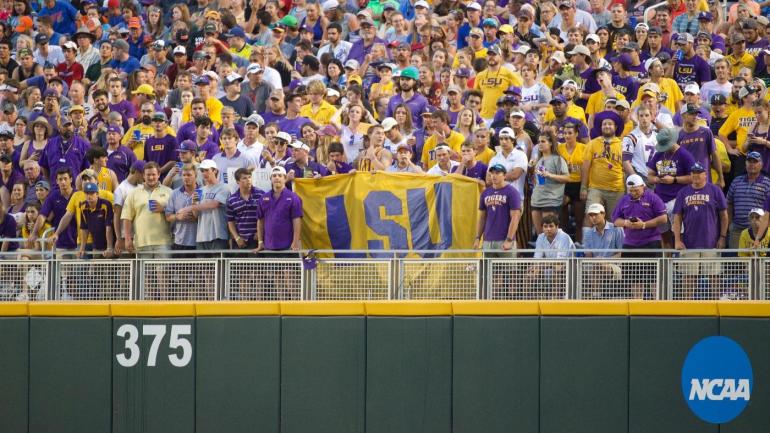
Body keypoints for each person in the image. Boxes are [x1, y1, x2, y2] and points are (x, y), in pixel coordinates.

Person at [672, 162, 729, 299]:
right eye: (693, 173)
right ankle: (688, 306)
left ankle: (716, 304)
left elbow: (724, 216)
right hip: (689, 242)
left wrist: (722, 237)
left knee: (714, 277)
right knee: (689, 277)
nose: (696, 175)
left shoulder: (715, 190)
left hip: (711, 241)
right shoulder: (683, 192)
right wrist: (677, 240)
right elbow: (677, 217)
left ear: (705, 174)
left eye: (699, 172)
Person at [612, 174, 668, 298]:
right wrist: (626, 222)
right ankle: (637, 303)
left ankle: (657, 304)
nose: (634, 193)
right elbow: (615, 220)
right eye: (631, 191)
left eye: (636, 190)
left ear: (643, 187)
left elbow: (664, 218)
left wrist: (644, 225)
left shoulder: (653, 198)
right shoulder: (624, 200)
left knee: (654, 278)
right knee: (634, 278)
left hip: (651, 242)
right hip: (630, 243)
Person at [647, 127, 695, 248]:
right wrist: (657, 179)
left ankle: (679, 261)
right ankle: (666, 262)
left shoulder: (684, 155)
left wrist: (674, 179)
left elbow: (693, 177)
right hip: (660, 200)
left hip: (676, 199)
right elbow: (650, 176)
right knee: (664, 233)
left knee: (679, 232)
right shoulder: (659, 155)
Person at [174, 159, 230, 251]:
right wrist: (194, 202)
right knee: (202, 265)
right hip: (201, 236)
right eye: (202, 171)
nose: (204, 173)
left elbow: (214, 204)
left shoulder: (224, 187)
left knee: (218, 265)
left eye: (207, 170)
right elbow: (196, 215)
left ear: (215, 170)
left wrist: (190, 207)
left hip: (218, 235)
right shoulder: (201, 190)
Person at [121, 162, 173, 257]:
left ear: (159, 175)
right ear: (143, 176)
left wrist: (164, 209)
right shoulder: (133, 193)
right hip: (141, 243)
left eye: (153, 174)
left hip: (163, 242)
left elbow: (177, 213)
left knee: (163, 272)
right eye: (148, 175)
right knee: (144, 272)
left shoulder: (169, 192)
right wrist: (128, 239)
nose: (151, 177)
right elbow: (127, 217)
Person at [581, 111, 625, 223]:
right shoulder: (592, 144)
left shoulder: (622, 144)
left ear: (615, 127)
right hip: (596, 188)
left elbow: (626, 168)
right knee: (591, 216)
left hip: (616, 190)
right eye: (604, 124)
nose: (607, 126)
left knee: (615, 221)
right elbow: (585, 167)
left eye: (610, 124)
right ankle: (588, 240)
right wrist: (583, 188)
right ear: (600, 127)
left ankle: (614, 241)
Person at [474, 163, 522, 256]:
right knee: (487, 270)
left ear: (504, 175)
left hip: (504, 239)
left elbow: (515, 217)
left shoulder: (512, 192)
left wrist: (509, 239)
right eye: (492, 173)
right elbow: (482, 218)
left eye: (497, 173)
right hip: (487, 240)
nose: (493, 176)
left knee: (507, 270)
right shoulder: (485, 193)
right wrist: (477, 238)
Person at [254, 166, 303, 253]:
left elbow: (297, 220)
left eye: (280, 176)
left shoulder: (293, 197)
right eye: (274, 175)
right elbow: (260, 220)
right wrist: (260, 242)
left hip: (288, 247)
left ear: (285, 178)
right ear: (270, 179)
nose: (277, 178)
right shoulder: (263, 198)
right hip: (268, 246)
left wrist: (295, 241)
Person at [727, 152, 770, 249]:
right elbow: (729, 203)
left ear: (761, 164)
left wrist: (766, 230)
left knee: (758, 261)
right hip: (737, 229)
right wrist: (730, 224)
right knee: (735, 262)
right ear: (745, 164)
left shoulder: (767, 183)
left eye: (755, 162)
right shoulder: (736, 181)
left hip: (758, 230)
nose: (752, 164)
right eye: (749, 161)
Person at [531, 132, 570, 235]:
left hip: (551, 201)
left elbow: (567, 178)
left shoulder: (558, 159)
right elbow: (537, 181)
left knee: (550, 234)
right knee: (541, 236)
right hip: (536, 200)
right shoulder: (539, 160)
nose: (540, 143)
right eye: (539, 141)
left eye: (543, 141)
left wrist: (549, 175)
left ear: (551, 143)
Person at [164, 163, 199, 254]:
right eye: (184, 175)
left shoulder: (203, 192)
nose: (186, 177)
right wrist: (177, 217)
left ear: (196, 176)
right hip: (180, 241)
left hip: (199, 242)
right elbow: (168, 216)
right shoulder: (174, 193)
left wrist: (197, 217)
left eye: (189, 175)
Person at [77, 182, 114, 259]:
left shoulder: (106, 205)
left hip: (110, 244)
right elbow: (84, 228)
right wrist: (82, 248)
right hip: (96, 245)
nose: (89, 196)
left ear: (97, 194)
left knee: (109, 269)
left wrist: (109, 247)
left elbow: (108, 227)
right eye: (87, 193)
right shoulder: (83, 206)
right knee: (94, 269)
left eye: (92, 193)